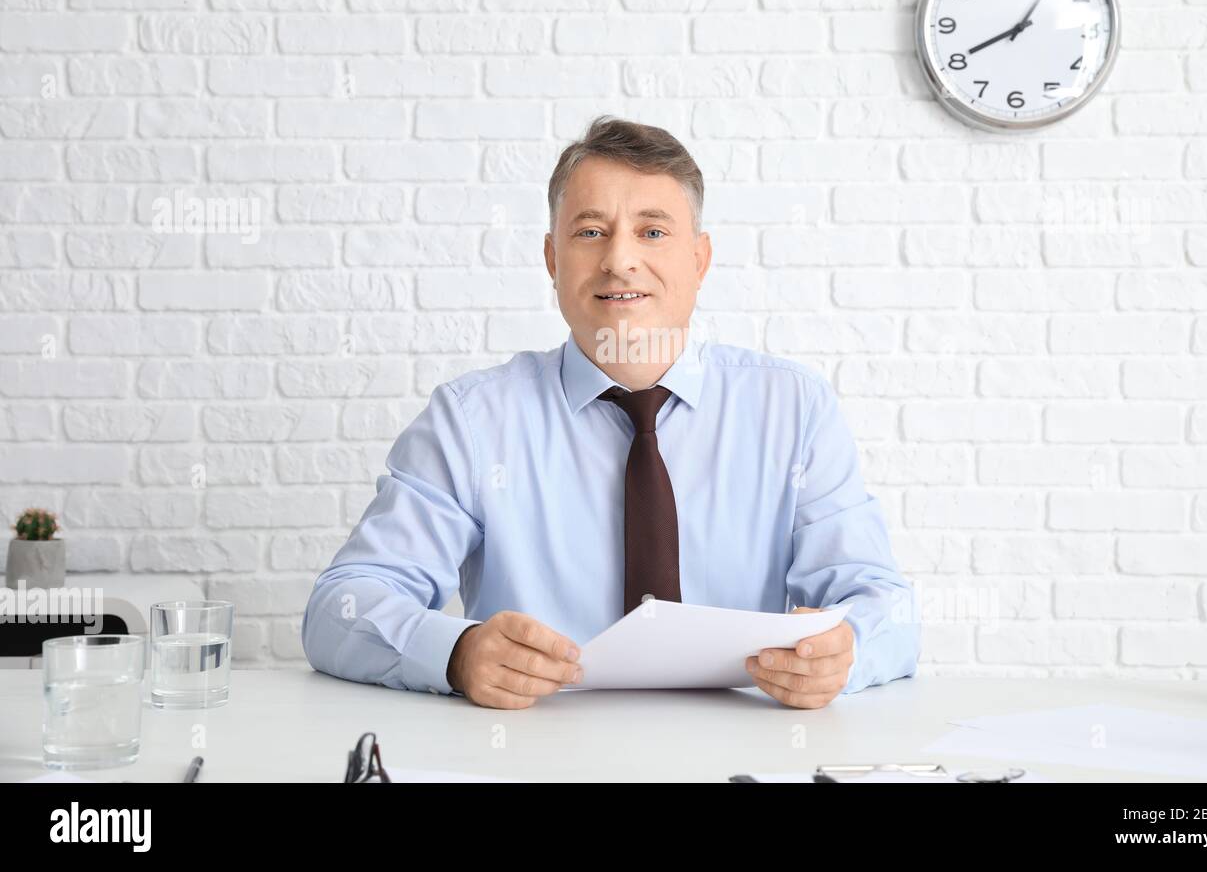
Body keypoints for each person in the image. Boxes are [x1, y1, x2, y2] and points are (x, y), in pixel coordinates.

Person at [302, 115, 920, 710]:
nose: (620, 259)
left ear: (699, 261)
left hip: (738, 753)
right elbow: (341, 608)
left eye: (653, 232)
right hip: (536, 758)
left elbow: (885, 606)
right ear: (552, 260)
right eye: (590, 231)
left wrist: (845, 652)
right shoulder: (471, 421)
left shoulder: (794, 410)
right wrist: (457, 653)